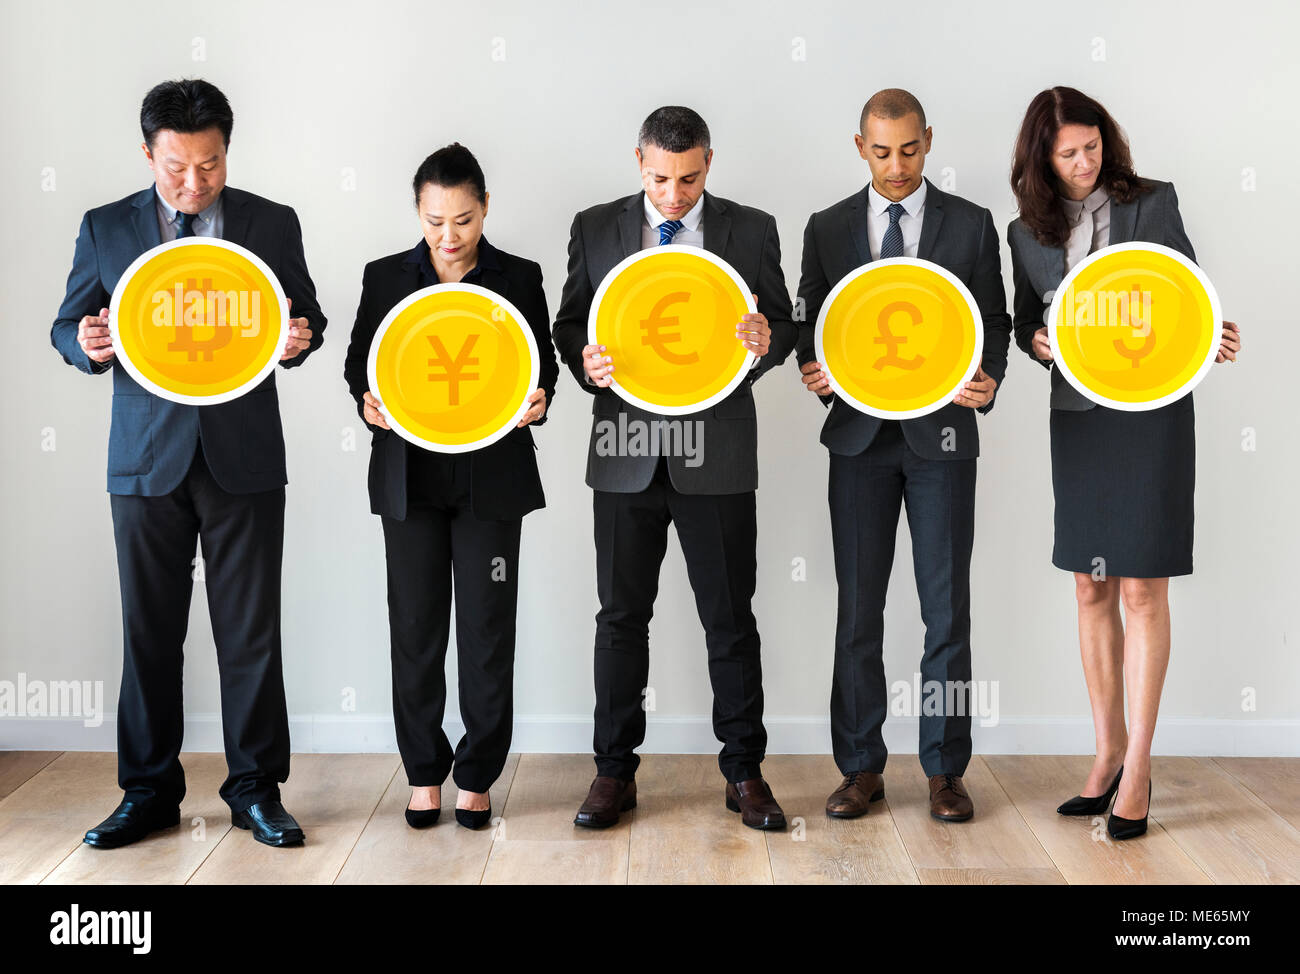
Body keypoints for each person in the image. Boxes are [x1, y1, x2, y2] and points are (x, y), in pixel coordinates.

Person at [51, 79, 327, 849]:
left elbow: (305, 316)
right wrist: (87, 344)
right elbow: (67, 323)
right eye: (177, 166)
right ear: (148, 153)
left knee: (250, 634)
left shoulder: (272, 223)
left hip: (243, 457)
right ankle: (146, 792)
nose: (194, 183)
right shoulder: (107, 227)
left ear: (226, 152)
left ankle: (256, 790)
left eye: (209, 165)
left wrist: (298, 339)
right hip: (145, 461)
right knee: (149, 633)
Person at [552, 106, 798, 830]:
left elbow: (784, 323)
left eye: (688, 179)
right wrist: (586, 365)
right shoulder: (595, 225)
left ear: (709, 164)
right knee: (621, 618)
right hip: (625, 453)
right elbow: (570, 323)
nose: (673, 195)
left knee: (730, 619)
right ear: (639, 162)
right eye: (660, 178)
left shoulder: (751, 229)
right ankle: (612, 773)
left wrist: (766, 338)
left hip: (715, 455)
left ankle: (745, 773)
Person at [1007, 86, 1241, 839]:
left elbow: (1186, 296)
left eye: (1093, 147)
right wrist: (1035, 342)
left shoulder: (1153, 202)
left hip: (1152, 413)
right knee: (1089, 584)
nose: (1084, 163)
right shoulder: (1025, 231)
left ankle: (1139, 767)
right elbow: (1024, 319)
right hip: (1079, 416)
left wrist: (1213, 335)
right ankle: (1105, 753)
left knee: (1143, 588)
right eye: (1069, 153)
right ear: (1042, 159)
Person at [796, 89, 1011, 823]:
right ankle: (860, 767)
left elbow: (994, 322)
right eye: (882, 151)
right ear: (860, 145)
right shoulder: (826, 228)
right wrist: (813, 372)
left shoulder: (973, 224)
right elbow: (813, 319)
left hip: (943, 439)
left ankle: (946, 771)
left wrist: (989, 381)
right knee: (859, 609)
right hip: (858, 441)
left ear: (929, 141)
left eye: (910, 150)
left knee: (946, 610)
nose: (897, 166)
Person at [343, 144, 557, 830]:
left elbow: (541, 365)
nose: (449, 235)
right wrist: (367, 402)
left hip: (491, 477)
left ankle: (478, 775)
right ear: (418, 210)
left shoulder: (518, 276)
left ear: (486, 208)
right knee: (415, 627)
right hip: (410, 477)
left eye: (463, 218)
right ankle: (424, 773)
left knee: (488, 628)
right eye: (435, 219)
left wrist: (540, 397)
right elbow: (359, 364)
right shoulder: (384, 277)